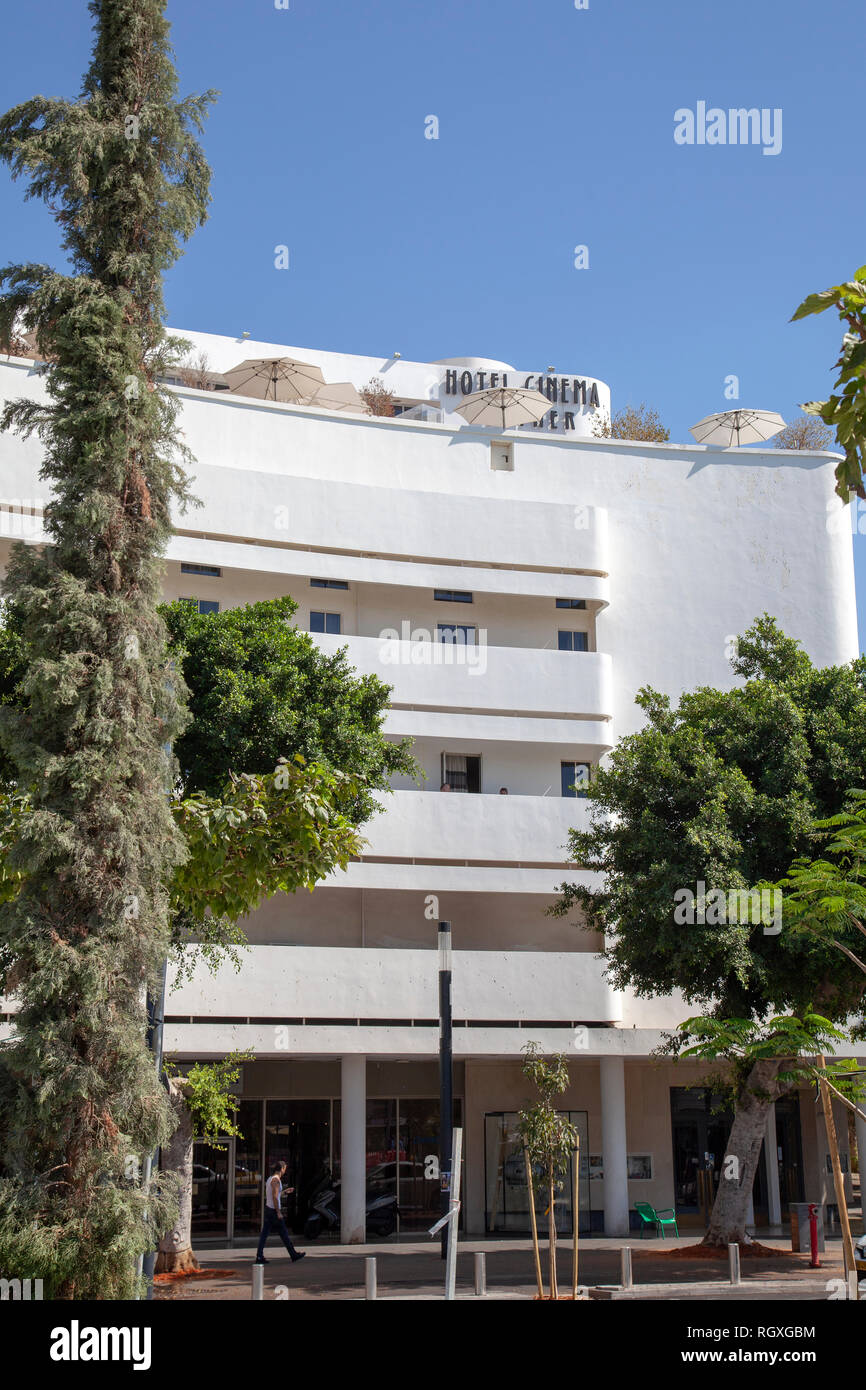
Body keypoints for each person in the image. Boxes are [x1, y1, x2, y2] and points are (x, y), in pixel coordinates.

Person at [255, 1160, 306, 1264]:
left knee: (266, 1234)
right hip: (273, 1211)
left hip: (269, 1209)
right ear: (282, 1169)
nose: (284, 1171)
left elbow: (275, 1195)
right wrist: (278, 1212)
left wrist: (285, 1192)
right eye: (284, 1169)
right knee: (283, 1233)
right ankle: (293, 1254)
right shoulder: (276, 1180)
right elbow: (274, 1196)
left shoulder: (270, 1179)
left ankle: (259, 1256)